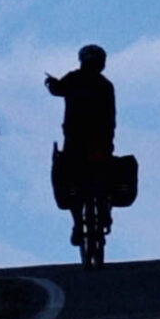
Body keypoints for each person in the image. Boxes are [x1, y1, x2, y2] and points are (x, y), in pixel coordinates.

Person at [46, 44, 117, 247]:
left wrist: (50, 83)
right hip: (102, 143)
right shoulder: (105, 85)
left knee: (70, 181)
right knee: (105, 177)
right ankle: (104, 211)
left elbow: (57, 89)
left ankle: (78, 223)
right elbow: (112, 118)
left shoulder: (74, 78)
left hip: (76, 143)